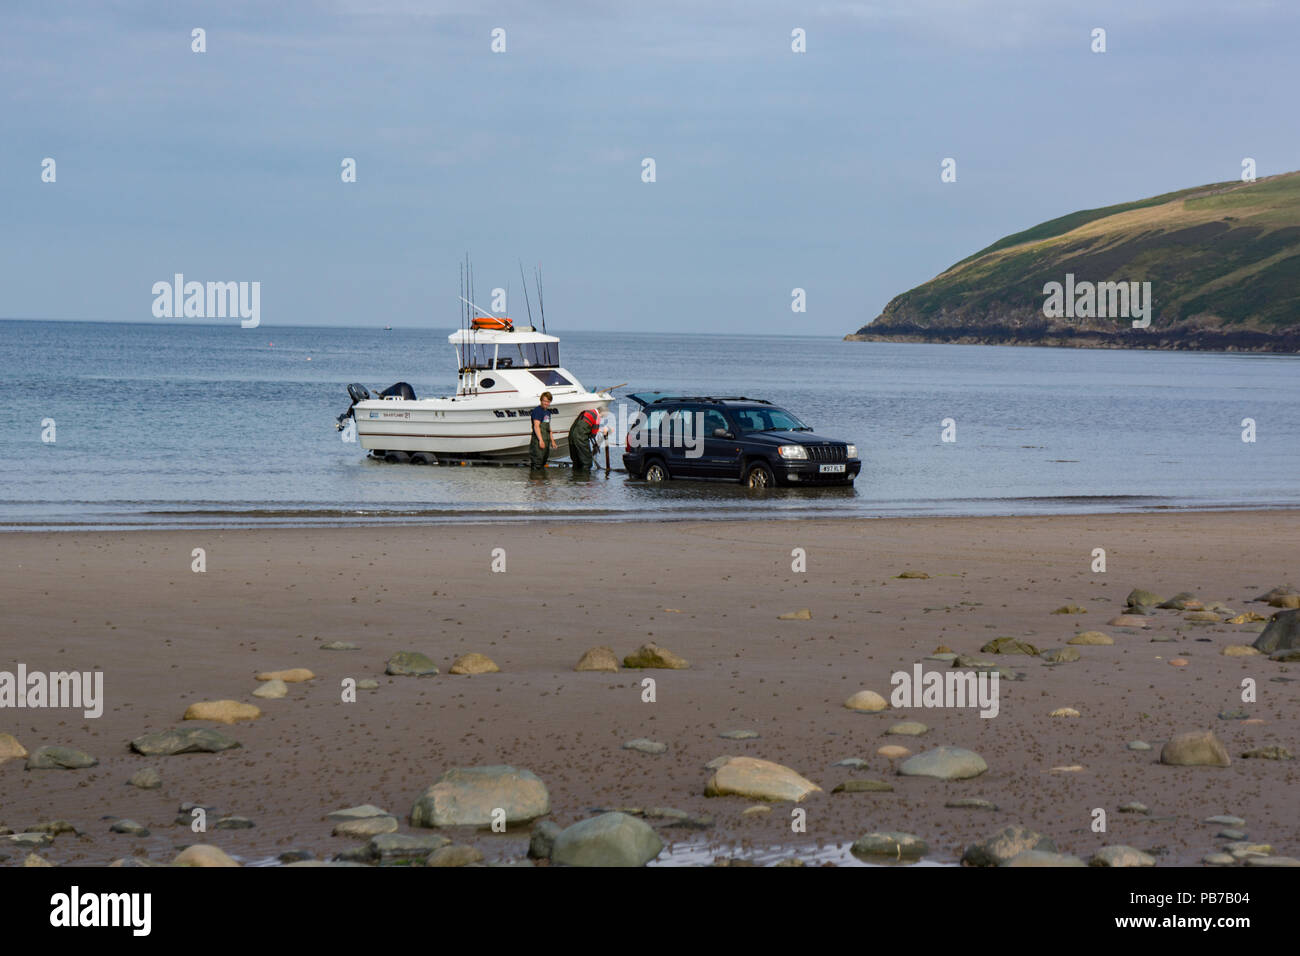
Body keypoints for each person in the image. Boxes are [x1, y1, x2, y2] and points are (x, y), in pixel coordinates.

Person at [568, 407, 608, 472]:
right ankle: (584, 479)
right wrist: (603, 431)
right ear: (601, 413)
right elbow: (593, 434)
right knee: (587, 462)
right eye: (603, 416)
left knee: (576, 461)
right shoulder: (597, 416)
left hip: (571, 436)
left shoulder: (586, 412)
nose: (601, 418)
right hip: (580, 438)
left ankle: (575, 479)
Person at [529, 392, 556, 470]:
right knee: (537, 464)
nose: (546, 403)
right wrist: (540, 440)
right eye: (544, 401)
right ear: (541, 400)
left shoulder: (547, 412)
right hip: (538, 442)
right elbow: (536, 426)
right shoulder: (537, 411)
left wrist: (553, 441)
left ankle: (541, 481)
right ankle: (535, 480)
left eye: (548, 401)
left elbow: (548, 428)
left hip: (546, 442)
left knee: (543, 463)